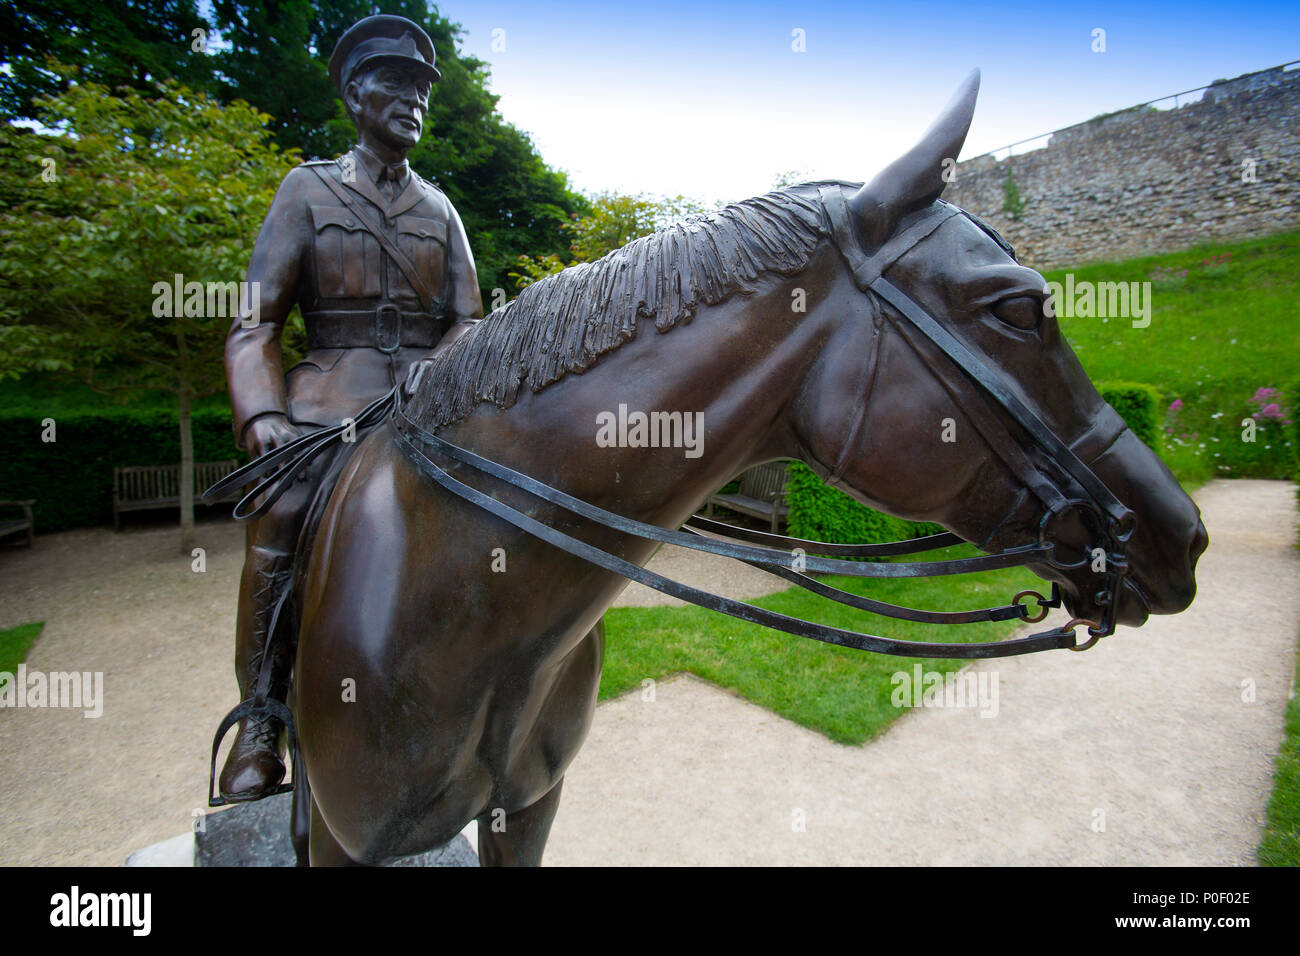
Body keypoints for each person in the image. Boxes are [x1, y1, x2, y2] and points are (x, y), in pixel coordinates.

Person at [219, 14, 483, 801]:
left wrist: (438, 371)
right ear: (356, 93)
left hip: (423, 410)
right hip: (327, 403)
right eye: (398, 86)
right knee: (284, 517)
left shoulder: (441, 211)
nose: (415, 103)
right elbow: (254, 322)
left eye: (422, 92)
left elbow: (470, 318)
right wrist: (262, 414)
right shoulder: (308, 188)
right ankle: (261, 719)